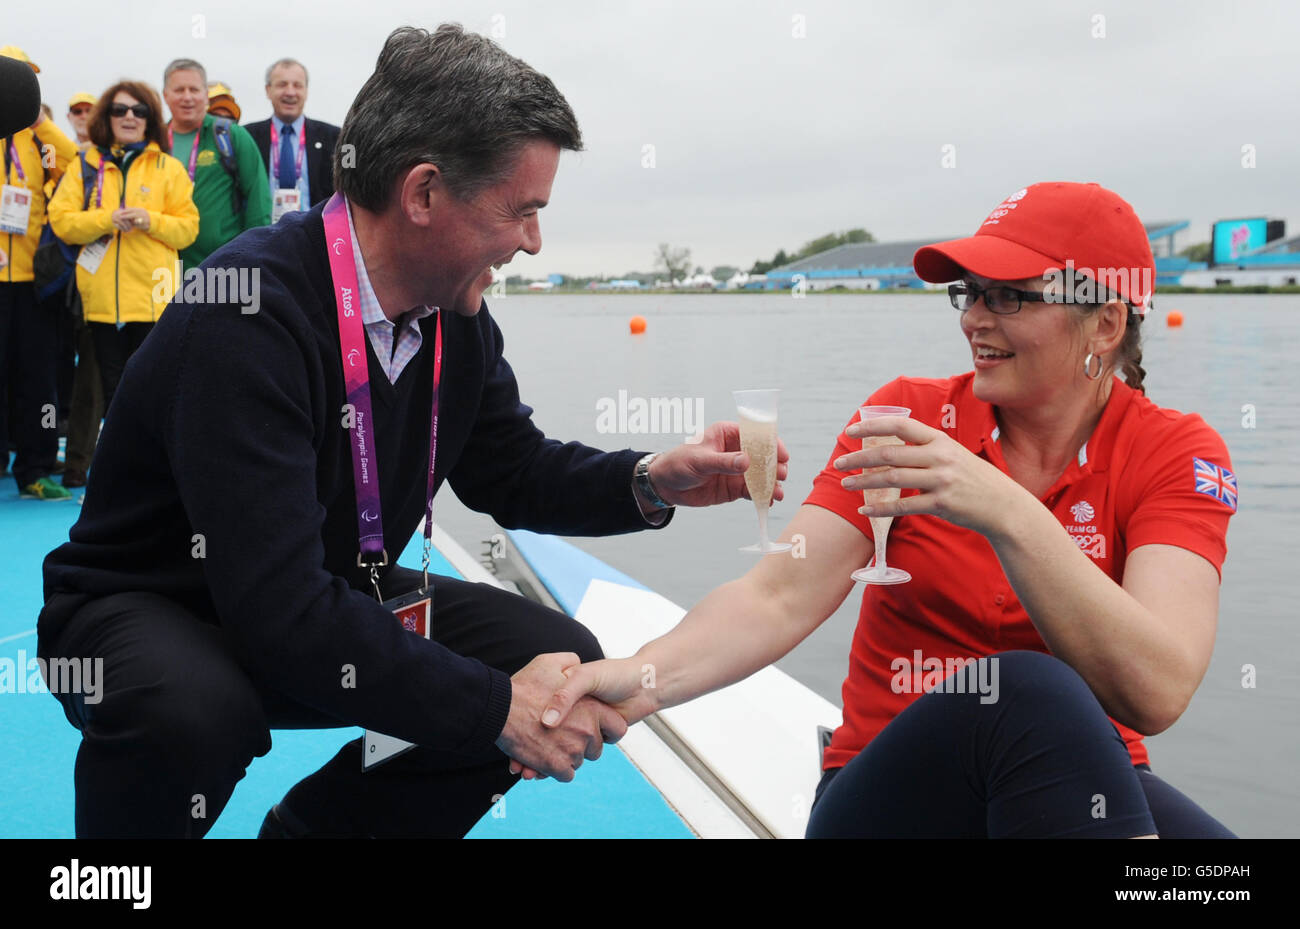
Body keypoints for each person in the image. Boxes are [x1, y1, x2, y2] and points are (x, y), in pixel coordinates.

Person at [38, 24, 786, 839]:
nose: (534, 242)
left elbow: (510, 469)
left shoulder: (452, 312)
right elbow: (280, 606)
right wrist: (502, 710)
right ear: (424, 193)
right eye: (522, 210)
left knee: (556, 661)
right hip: (154, 606)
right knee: (194, 710)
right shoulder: (247, 312)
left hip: (314, 597)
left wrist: (649, 479)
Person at [544, 182, 1239, 839]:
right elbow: (777, 597)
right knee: (1027, 689)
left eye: (1008, 297)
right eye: (969, 293)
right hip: (888, 801)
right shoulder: (908, 417)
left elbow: (1159, 688)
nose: (973, 317)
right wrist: (643, 678)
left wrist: (1007, 511)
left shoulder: (1175, 450)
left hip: (1075, 786)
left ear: (1106, 322)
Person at [47, 82, 199, 412]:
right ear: (107, 117)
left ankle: (151, 464)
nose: (129, 116)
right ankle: (117, 463)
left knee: (152, 397)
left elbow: (188, 230)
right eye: (120, 110)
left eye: (138, 110)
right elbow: (61, 221)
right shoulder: (84, 165)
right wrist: (106, 219)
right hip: (101, 303)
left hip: (153, 303)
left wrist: (150, 220)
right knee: (113, 402)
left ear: (150, 118)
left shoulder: (169, 169)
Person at [0, 46, 79, 500]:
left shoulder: (38, 141)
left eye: (27, 80)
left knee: (39, 378)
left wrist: (38, 120)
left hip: (33, 279)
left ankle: (36, 467)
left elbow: (73, 171)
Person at [161, 58, 269, 270]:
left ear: (205, 95)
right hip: (165, 264)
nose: (187, 97)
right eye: (179, 90)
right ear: (165, 95)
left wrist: (255, 256)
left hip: (221, 266)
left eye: (194, 89)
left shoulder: (230, 135)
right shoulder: (155, 142)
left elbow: (259, 200)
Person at [244, 57, 341, 220]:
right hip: (262, 235)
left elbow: (351, 184)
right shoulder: (247, 137)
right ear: (268, 90)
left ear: (306, 91)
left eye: (297, 85)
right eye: (282, 85)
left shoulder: (337, 137)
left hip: (317, 235)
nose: (290, 92)